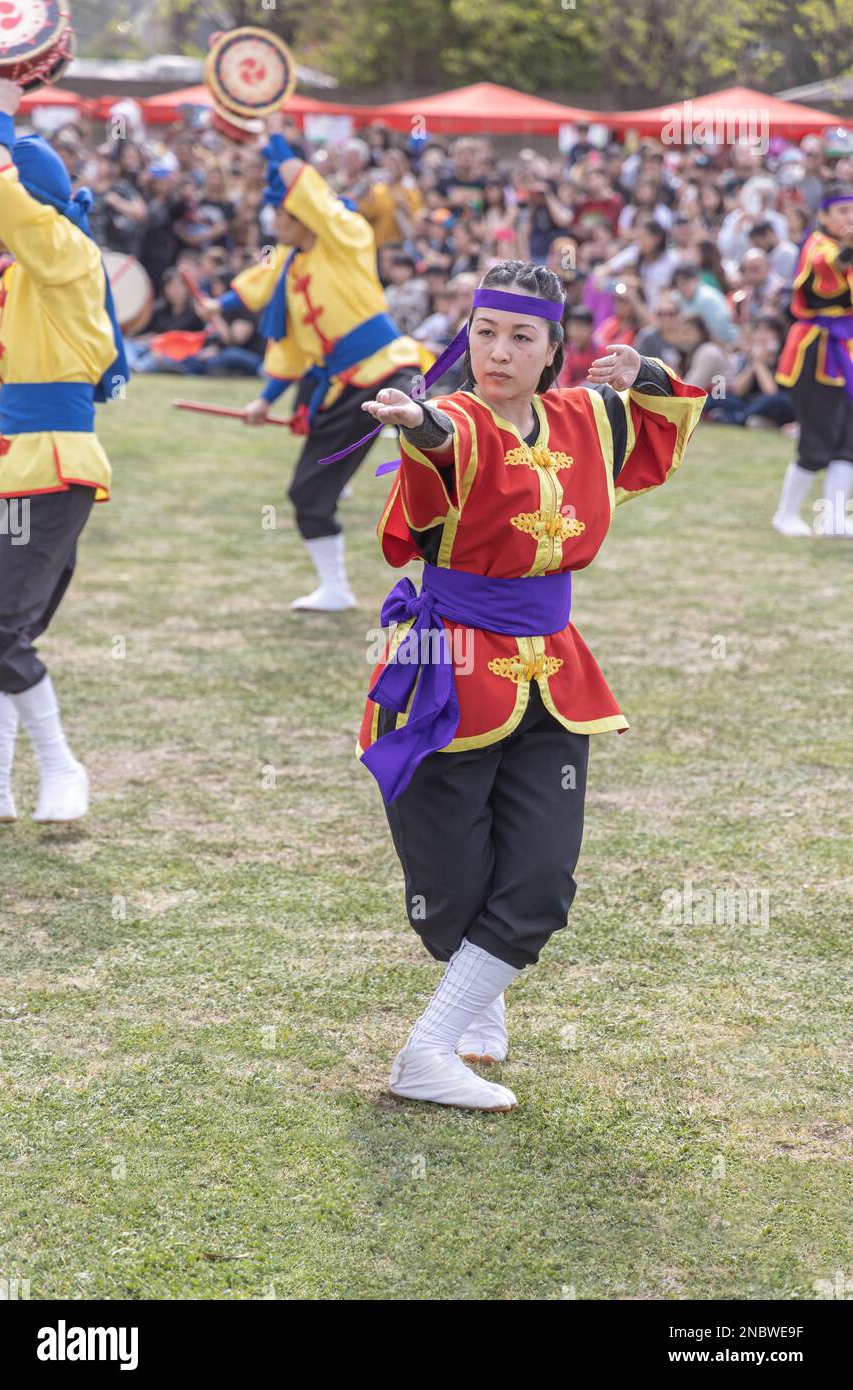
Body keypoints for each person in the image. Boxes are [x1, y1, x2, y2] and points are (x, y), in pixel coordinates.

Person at [355, 260, 706, 1112]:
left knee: (543, 880)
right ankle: (477, 999)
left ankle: (426, 1052)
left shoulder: (584, 416)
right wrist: (420, 425)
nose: (499, 352)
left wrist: (648, 375)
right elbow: (446, 442)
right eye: (484, 333)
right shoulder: (459, 420)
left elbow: (661, 432)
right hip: (450, 671)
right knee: (449, 885)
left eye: (521, 337)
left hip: (553, 672)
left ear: (554, 350)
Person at [202, 114, 425, 610]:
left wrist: (273, 143)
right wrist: (263, 400)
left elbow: (310, 192)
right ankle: (336, 589)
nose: (273, 222)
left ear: (303, 213)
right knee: (307, 491)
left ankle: (421, 437)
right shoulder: (289, 267)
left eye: (280, 213)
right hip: (343, 387)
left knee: (431, 445)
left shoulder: (346, 235)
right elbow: (290, 348)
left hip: (392, 370)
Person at [0, 77, 127, 824]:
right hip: (12, 466)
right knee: (2, 630)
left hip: (56, 470)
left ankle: (62, 765)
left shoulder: (67, 252)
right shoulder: (9, 283)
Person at [774, 184, 853, 537]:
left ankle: (834, 517)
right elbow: (826, 269)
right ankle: (786, 513)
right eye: (842, 212)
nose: (849, 219)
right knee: (818, 437)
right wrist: (848, 251)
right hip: (817, 351)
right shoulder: (817, 245)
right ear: (823, 215)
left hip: (846, 350)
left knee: (848, 440)